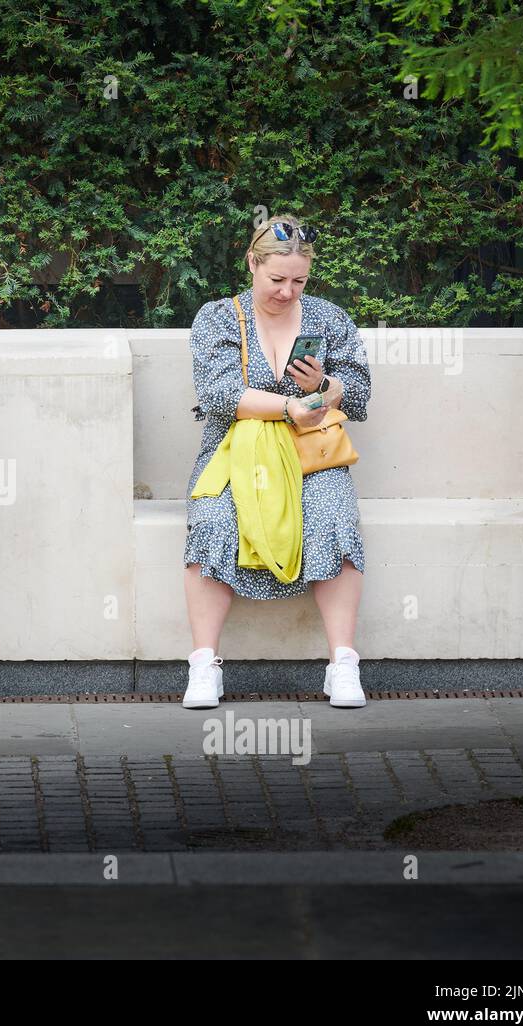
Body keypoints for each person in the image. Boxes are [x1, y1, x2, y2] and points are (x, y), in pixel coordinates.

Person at [183, 214, 372, 710]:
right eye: (276, 280)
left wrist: (321, 388)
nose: (288, 292)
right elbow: (220, 393)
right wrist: (287, 406)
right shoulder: (218, 317)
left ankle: (344, 664)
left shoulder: (329, 318)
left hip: (313, 453)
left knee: (334, 517)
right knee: (213, 520)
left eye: (299, 281)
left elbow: (359, 392)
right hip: (234, 449)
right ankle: (204, 664)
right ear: (252, 263)